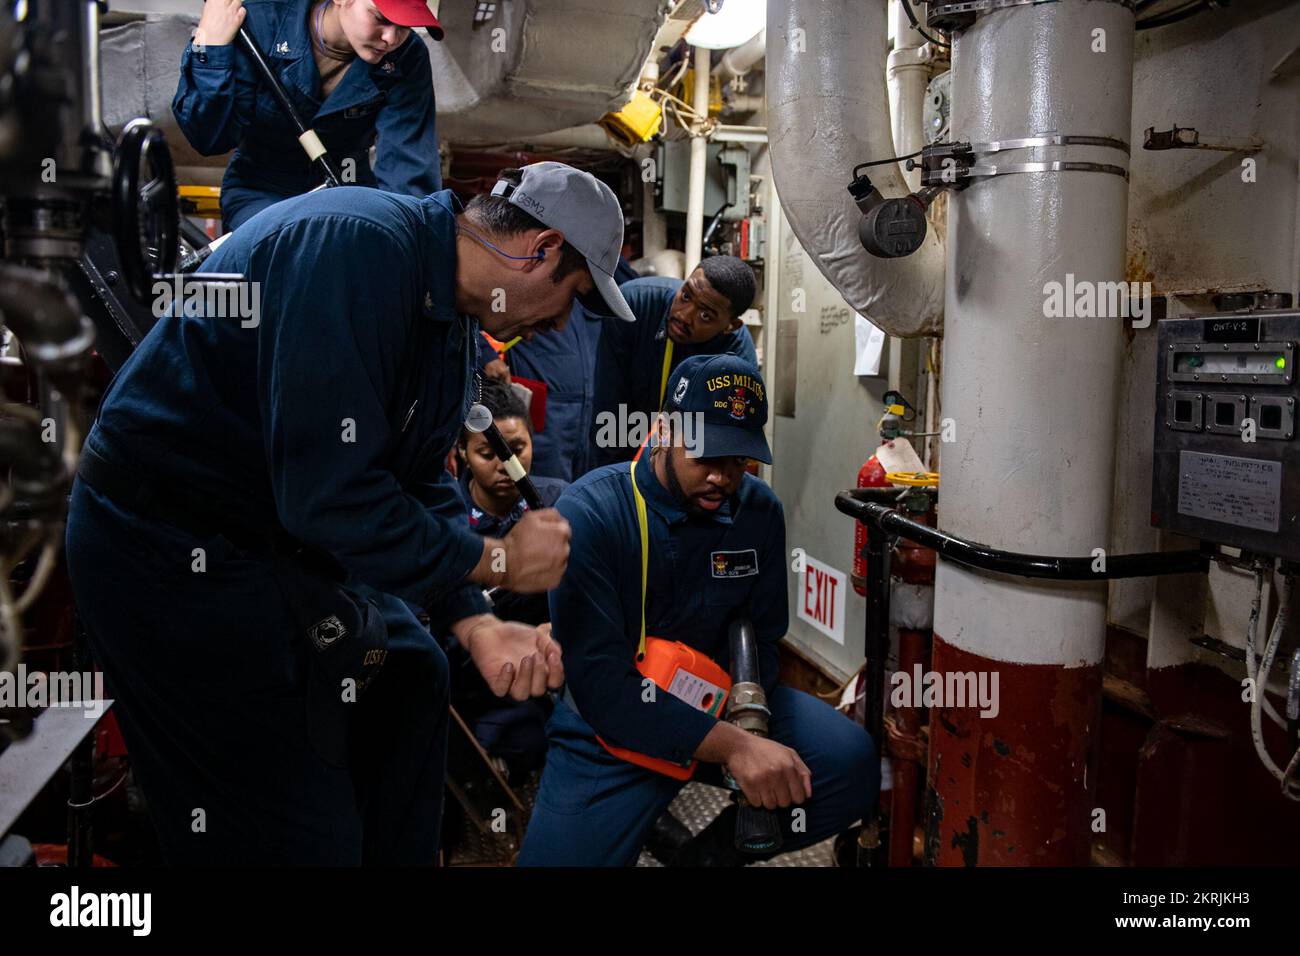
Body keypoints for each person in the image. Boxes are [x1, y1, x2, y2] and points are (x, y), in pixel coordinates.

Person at [65, 161, 635, 865]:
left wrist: (478, 622)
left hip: (274, 538)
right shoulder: (352, 248)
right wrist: (498, 560)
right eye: (572, 297)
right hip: (166, 546)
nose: (559, 321)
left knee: (415, 676)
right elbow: (328, 498)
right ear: (541, 248)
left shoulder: (449, 320)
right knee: (290, 828)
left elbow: (418, 479)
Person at [518, 355, 879, 866]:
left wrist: (746, 722)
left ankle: (704, 862)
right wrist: (733, 747)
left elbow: (767, 636)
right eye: (706, 456)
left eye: (738, 460)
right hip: (613, 729)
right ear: (664, 429)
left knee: (849, 763)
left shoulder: (758, 512)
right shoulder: (592, 513)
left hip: (723, 703)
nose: (722, 477)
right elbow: (601, 687)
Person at [174, 0, 444, 232]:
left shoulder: (407, 57)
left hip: (348, 190)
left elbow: (408, 173)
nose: (391, 38)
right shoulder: (260, 23)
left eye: (405, 26)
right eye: (381, 18)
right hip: (262, 190)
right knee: (288, 258)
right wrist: (210, 50)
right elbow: (209, 139)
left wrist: (405, 240)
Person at [445, 378, 566, 771]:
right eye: (487, 453)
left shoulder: (559, 504)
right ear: (462, 452)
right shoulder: (444, 523)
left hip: (550, 669)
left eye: (516, 450)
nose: (504, 466)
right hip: (470, 677)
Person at [589, 256, 759, 469]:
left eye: (705, 315)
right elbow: (609, 406)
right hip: (624, 436)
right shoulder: (633, 305)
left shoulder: (737, 358)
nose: (683, 315)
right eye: (686, 296)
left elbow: (725, 446)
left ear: (730, 326)